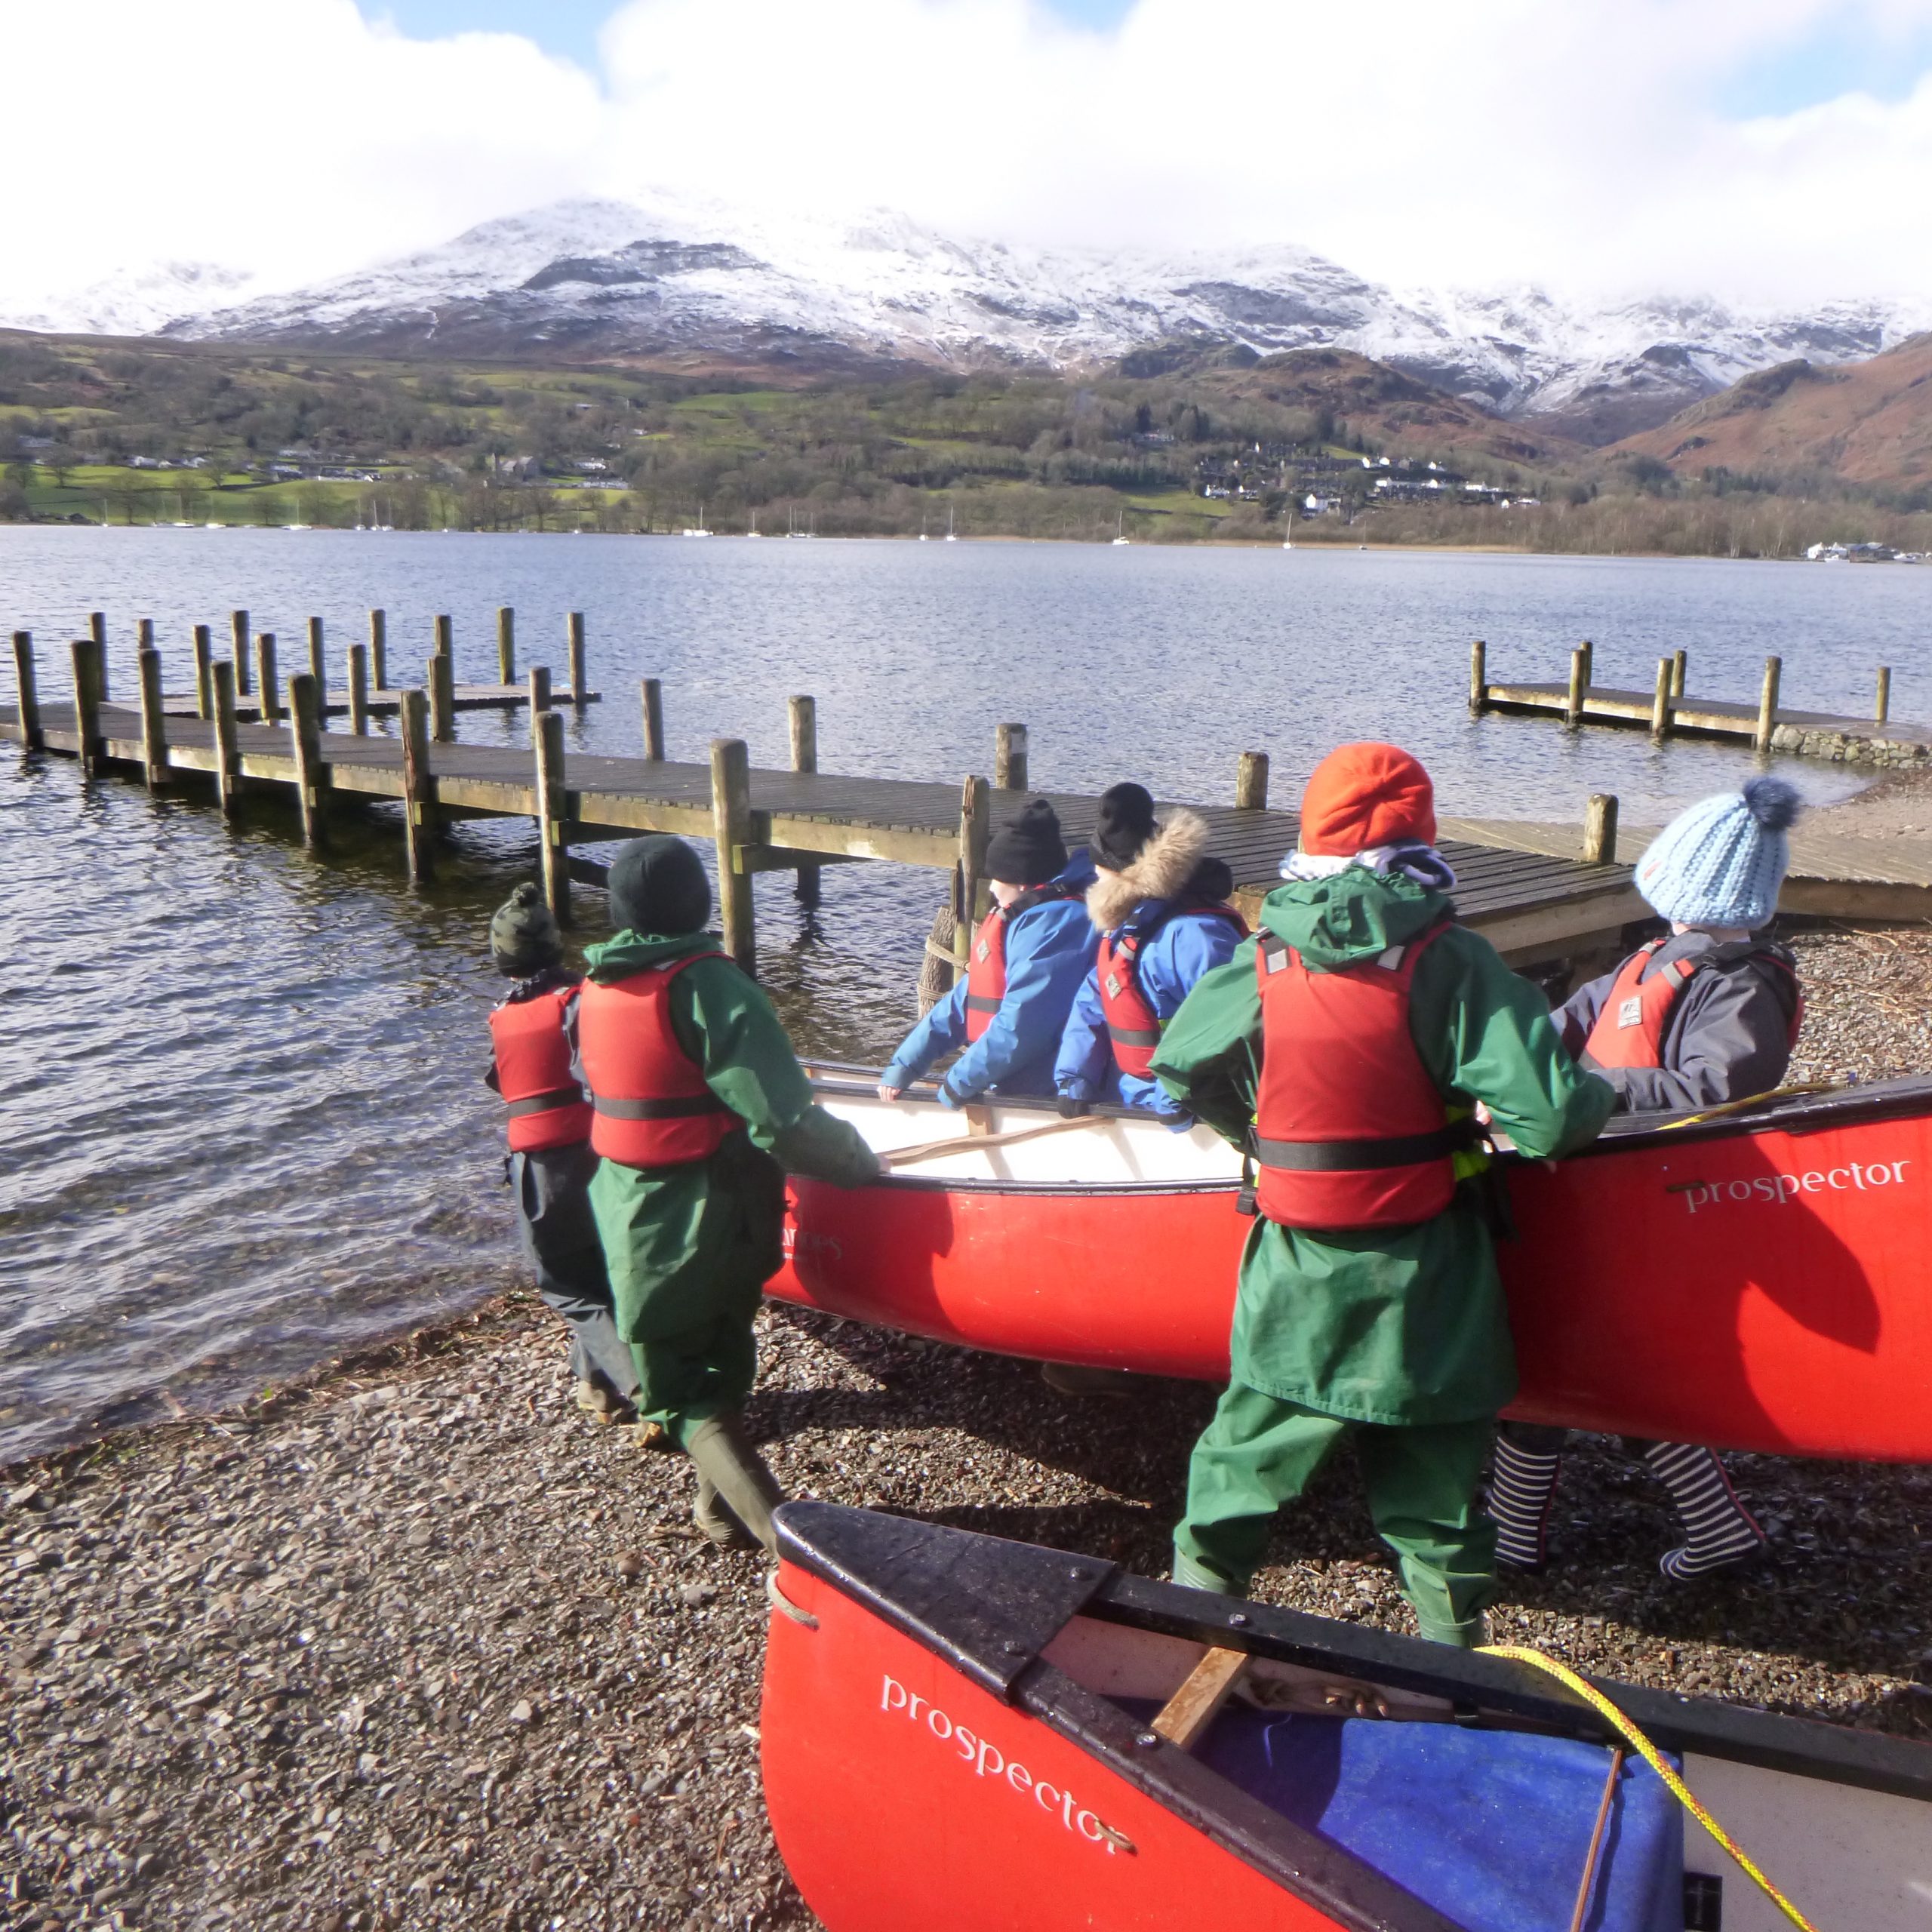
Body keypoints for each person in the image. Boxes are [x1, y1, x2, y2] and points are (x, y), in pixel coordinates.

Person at [1152, 743, 1615, 1647]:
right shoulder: (1455, 960)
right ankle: (1453, 1671)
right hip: (1427, 1272)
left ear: (1309, 844)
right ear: (1420, 843)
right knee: (1437, 1496)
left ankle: (1183, 1632)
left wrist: (1265, 1140)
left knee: (1236, 1466)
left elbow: (1177, 1071)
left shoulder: (1261, 957)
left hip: (1295, 1267)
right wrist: (1602, 1089)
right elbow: (1553, 1122)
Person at [1490, 777, 1804, 1581]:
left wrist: (1587, 1093)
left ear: (1687, 887)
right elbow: (1555, 1030)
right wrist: (1489, 1063)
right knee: (1569, 1360)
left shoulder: (1738, 983)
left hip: (1655, 1202)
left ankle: (1530, 1533)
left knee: (1596, 1365)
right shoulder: (1651, 961)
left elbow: (1718, 1089)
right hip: (1593, 1187)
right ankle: (1517, 1532)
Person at [575, 836, 880, 1553]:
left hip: (628, 1208)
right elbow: (782, 1119)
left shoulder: (593, 984)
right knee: (691, 1387)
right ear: (698, 903)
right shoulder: (708, 984)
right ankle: (793, 1546)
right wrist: (856, 1165)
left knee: (700, 1361)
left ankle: (717, 1511)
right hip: (709, 1209)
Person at [485, 882, 642, 1427]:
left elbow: (499, 1079)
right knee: (598, 1269)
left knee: (562, 1284)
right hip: (601, 1154)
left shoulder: (503, 1015)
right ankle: (594, 1389)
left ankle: (639, 1384)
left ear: (502, 960)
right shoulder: (580, 999)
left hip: (543, 1168)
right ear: (557, 947)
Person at [878, 798, 1097, 1106]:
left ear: (1023, 883)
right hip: (1012, 1081)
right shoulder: (1021, 920)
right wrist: (905, 1065)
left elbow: (1024, 1025)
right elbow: (962, 1003)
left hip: (1045, 1091)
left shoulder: (1060, 927)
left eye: (998, 878)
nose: (992, 888)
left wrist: (957, 1083)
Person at [1055, 786, 1248, 1121]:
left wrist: (1179, 1096)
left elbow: (1228, 1023)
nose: (1094, 876)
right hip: (1138, 1096)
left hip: (1193, 1109)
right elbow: (1094, 998)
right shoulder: (1128, 925)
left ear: (1122, 872)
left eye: (1099, 868)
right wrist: (1074, 1076)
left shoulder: (1196, 935)